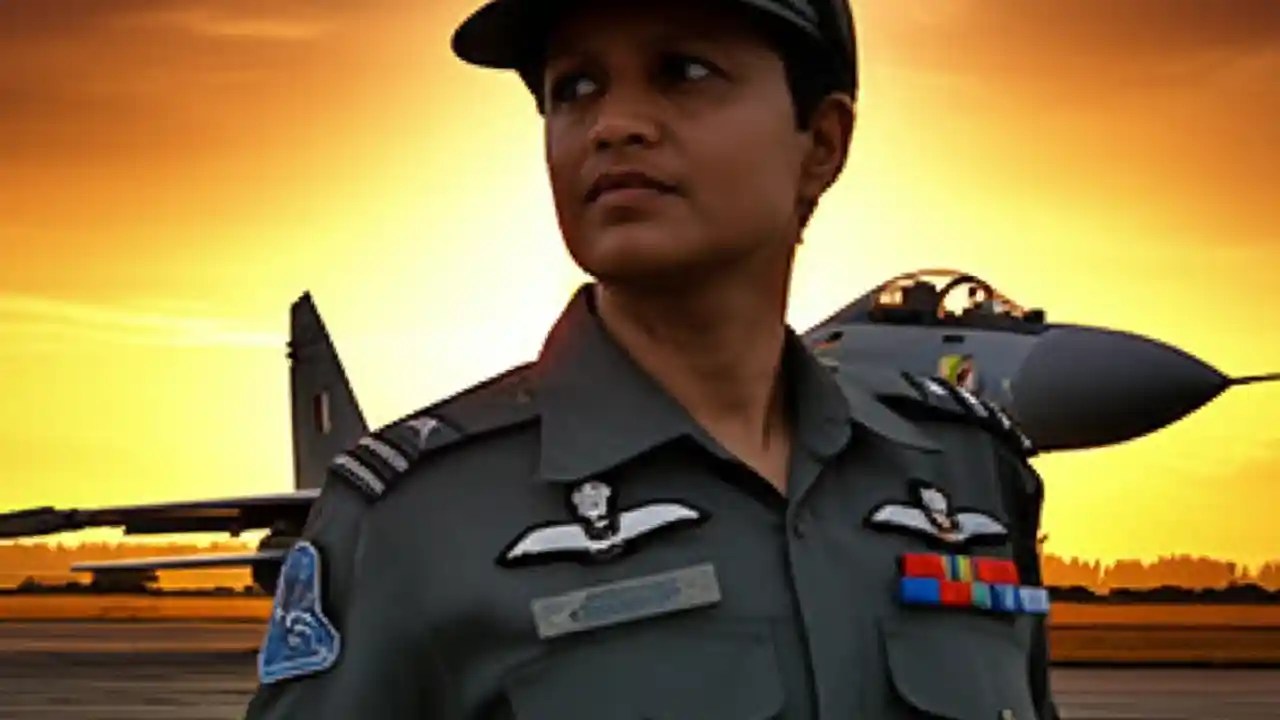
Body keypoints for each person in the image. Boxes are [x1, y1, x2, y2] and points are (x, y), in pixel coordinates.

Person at [244, 0, 1059, 717]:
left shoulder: (970, 481)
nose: (613, 124)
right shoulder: (413, 521)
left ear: (821, 143)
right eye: (576, 87)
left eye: (685, 71)